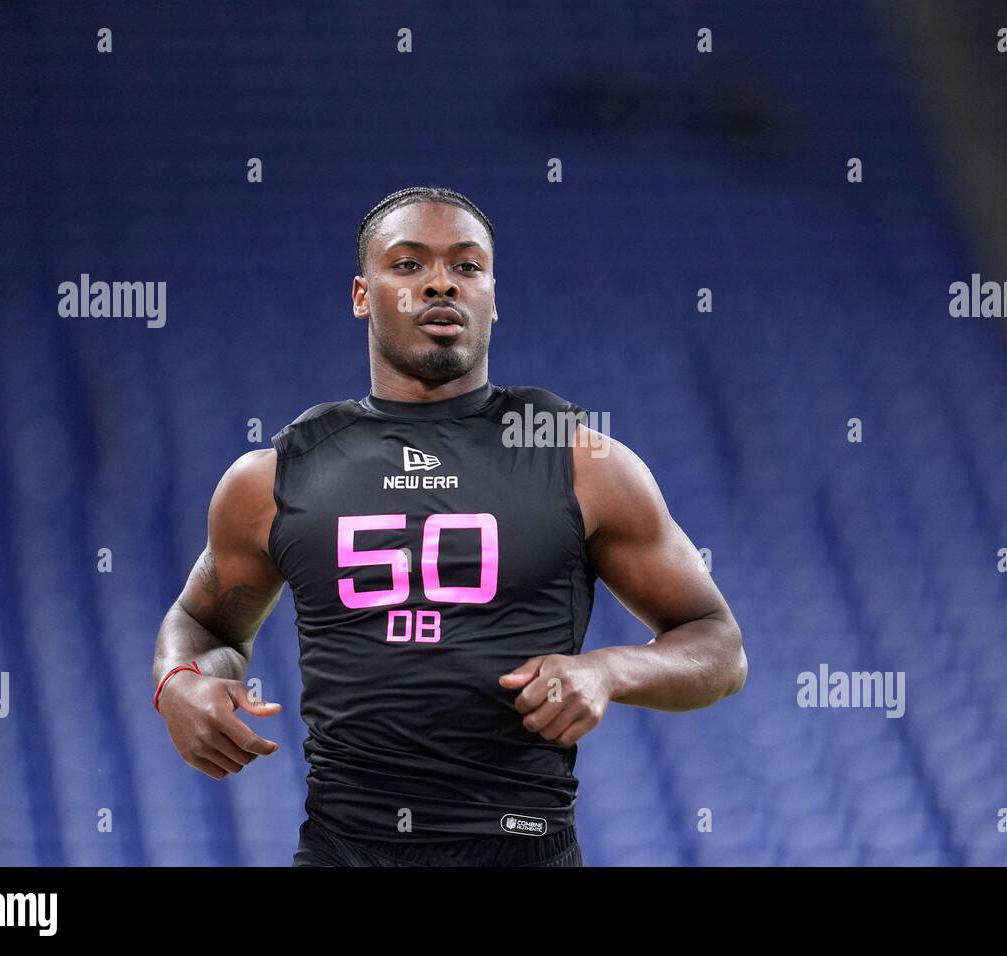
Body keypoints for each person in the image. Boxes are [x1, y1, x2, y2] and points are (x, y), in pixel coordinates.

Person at [152, 186, 747, 867]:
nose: (440, 281)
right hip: (343, 852)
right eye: (408, 265)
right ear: (359, 294)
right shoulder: (274, 476)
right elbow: (206, 626)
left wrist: (611, 670)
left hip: (521, 850)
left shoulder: (581, 460)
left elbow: (720, 649)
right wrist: (181, 682)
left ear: (493, 297)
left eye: (467, 267)